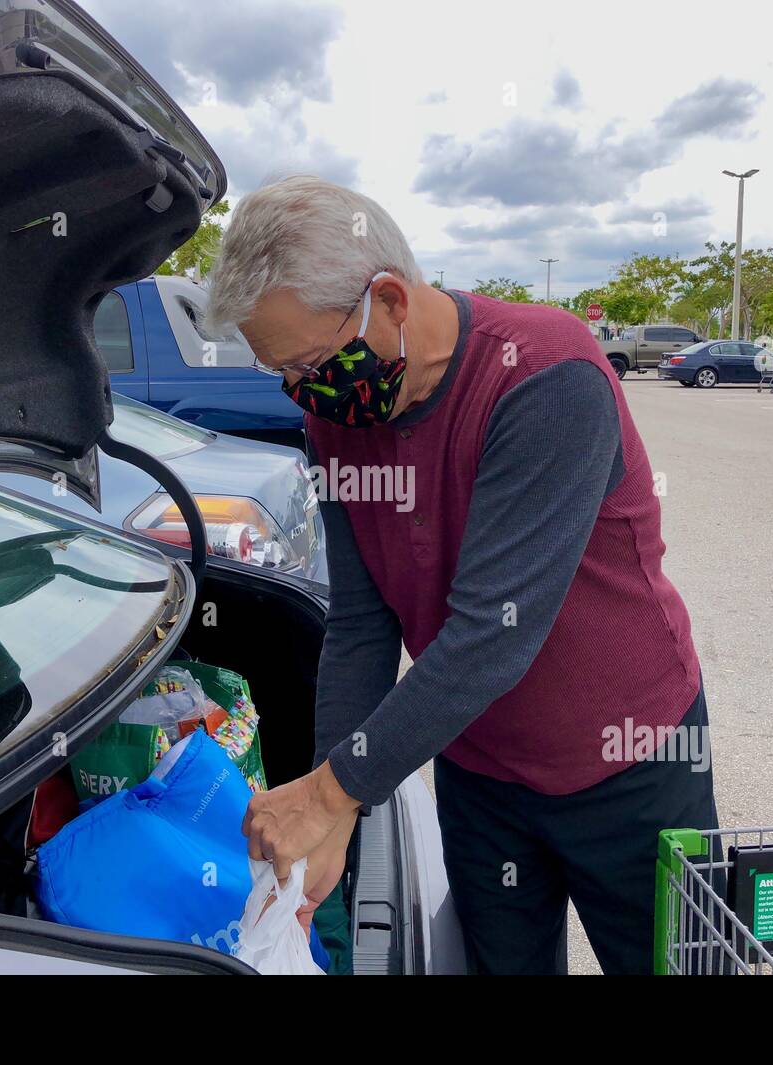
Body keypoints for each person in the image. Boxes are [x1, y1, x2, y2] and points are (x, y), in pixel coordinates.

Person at [204, 175, 719, 974]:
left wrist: (333, 791)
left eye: (308, 363)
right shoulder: (338, 421)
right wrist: (337, 805)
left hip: (628, 758)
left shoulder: (545, 376)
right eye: (285, 375)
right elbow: (363, 623)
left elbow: (492, 635)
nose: (303, 394)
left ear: (390, 302)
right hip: (481, 769)